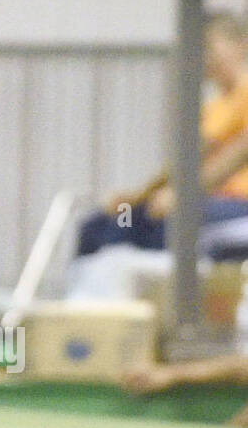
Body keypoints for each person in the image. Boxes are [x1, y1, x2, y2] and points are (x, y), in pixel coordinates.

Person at [73, 15, 248, 260]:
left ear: (241, 44)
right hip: (198, 199)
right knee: (103, 224)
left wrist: (184, 195)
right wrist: (137, 196)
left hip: (235, 206)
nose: (204, 56)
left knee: (158, 227)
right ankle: (98, 294)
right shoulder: (212, 107)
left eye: (209, 46)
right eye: (197, 49)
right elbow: (182, 163)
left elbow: (238, 154)